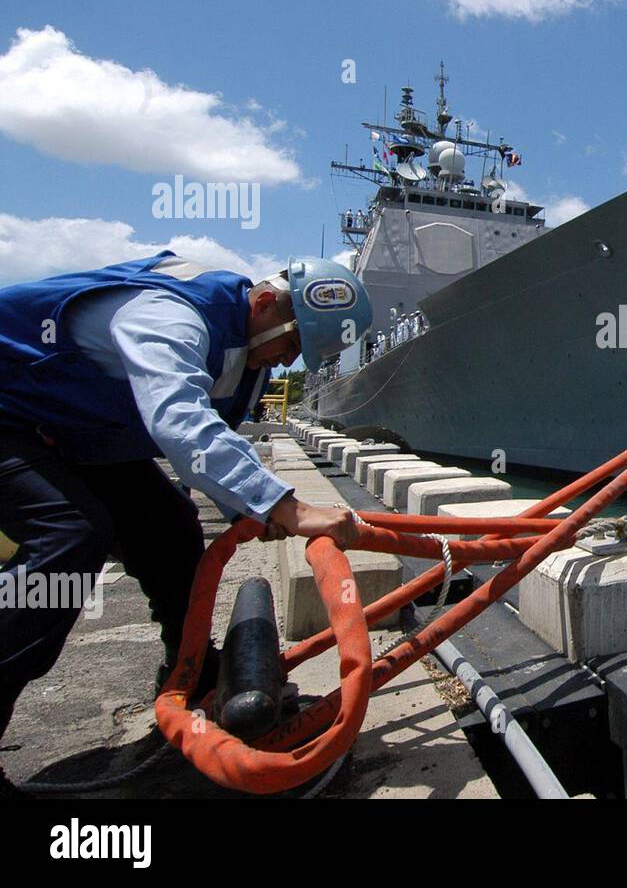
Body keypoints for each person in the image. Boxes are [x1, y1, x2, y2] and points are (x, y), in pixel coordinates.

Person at [0, 251, 372, 790]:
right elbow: (180, 422)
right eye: (291, 345)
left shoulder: (244, 356)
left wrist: (253, 508)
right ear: (266, 303)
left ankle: (190, 672)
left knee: (172, 527)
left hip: (70, 433)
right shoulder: (170, 316)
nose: (288, 362)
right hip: (12, 417)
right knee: (69, 533)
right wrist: (289, 507)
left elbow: (211, 454)